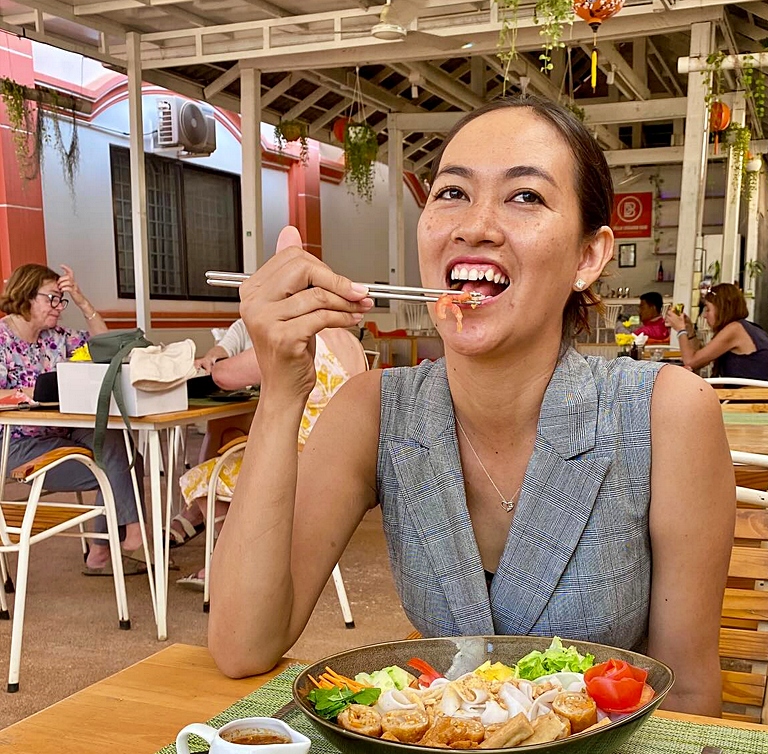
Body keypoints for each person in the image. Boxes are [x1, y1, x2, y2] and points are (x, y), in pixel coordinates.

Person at [208, 96, 735, 717]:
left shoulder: (665, 412)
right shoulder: (375, 412)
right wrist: (281, 389)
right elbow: (243, 647)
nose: (474, 225)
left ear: (588, 257)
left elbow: (689, 693)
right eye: (451, 192)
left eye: (525, 197)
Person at [175, 327, 367, 589]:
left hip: (297, 468)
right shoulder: (351, 344)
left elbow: (224, 377)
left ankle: (230, 564)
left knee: (201, 478)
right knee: (234, 444)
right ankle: (263, 554)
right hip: (337, 465)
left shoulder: (296, 339)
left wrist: (212, 363)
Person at [0, 263, 146, 575]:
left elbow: (108, 348)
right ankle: (122, 541)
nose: (58, 307)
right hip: (16, 443)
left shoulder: (56, 337)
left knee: (121, 448)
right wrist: (25, 393)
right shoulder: (2, 340)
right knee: (115, 466)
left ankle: (106, 547)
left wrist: (82, 301)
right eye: (52, 298)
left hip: (62, 430)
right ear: (26, 295)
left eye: (61, 299)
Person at [169, 318, 256, 548]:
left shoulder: (283, 333)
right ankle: (204, 511)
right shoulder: (246, 325)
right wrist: (213, 356)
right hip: (312, 444)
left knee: (225, 427)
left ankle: (225, 551)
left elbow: (223, 375)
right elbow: (222, 349)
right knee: (223, 428)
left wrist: (219, 367)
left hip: (286, 446)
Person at [664, 283, 768, 381]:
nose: (704, 315)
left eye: (708, 309)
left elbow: (690, 361)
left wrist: (680, 329)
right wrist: (689, 330)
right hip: (751, 398)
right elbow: (699, 358)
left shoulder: (735, 329)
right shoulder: (746, 327)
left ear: (722, 309)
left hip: (749, 401)